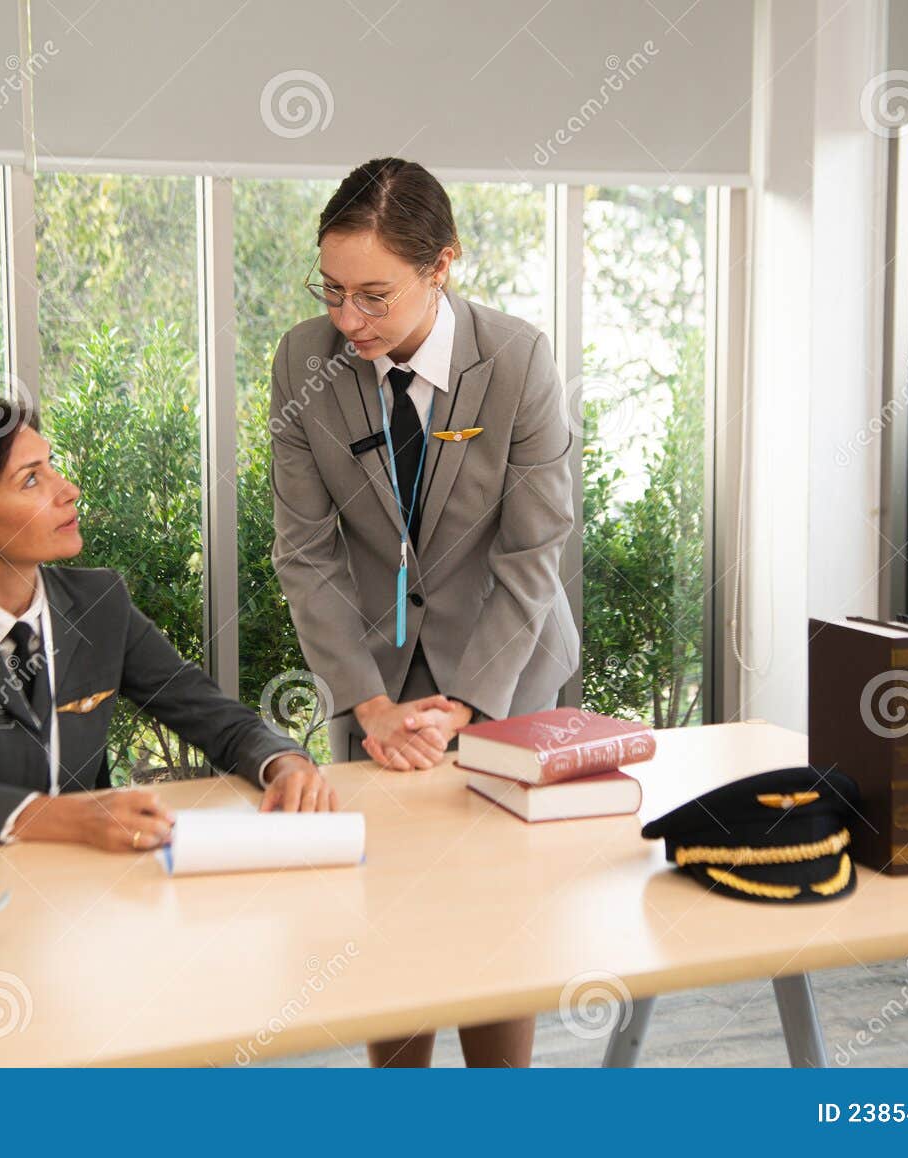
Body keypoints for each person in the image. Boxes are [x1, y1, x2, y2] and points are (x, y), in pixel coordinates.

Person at [269, 157, 580, 1067]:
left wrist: (473, 705)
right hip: (372, 677)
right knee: (382, 925)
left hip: (506, 663)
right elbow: (306, 550)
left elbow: (533, 550)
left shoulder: (516, 359)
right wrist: (365, 701)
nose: (347, 321)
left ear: (442, 264)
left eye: (374, 296)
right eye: (331, 292)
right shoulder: (303, 360)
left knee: (494, 920)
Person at [0, 396, 335, 851]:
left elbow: (216, 718)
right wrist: (68, 819)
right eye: (31, 479)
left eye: (51, 466)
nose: (68, 491)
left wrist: (284, 763)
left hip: (83, 894)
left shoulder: (99, 603)